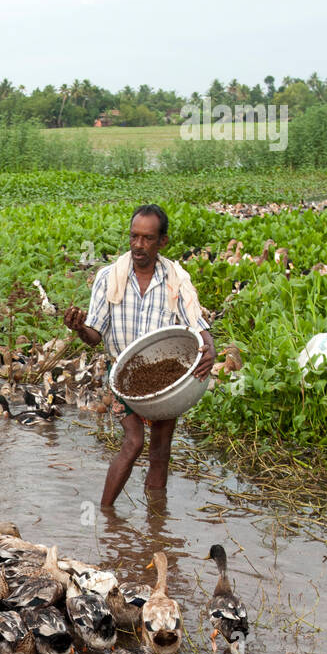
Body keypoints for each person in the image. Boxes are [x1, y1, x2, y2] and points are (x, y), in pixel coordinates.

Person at [64, 205, 215, 508]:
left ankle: (155, 526)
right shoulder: (109, 278)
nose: (138, 245)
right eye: (134, 237)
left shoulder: (175, 279)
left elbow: (198, 325)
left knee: (160, 450)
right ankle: (106, 515)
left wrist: (209, 349)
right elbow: (95, 336)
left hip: (165, 378)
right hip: (122, 375)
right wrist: (80, 328)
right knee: (133, 443)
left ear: (163, 242)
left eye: (147, 238)